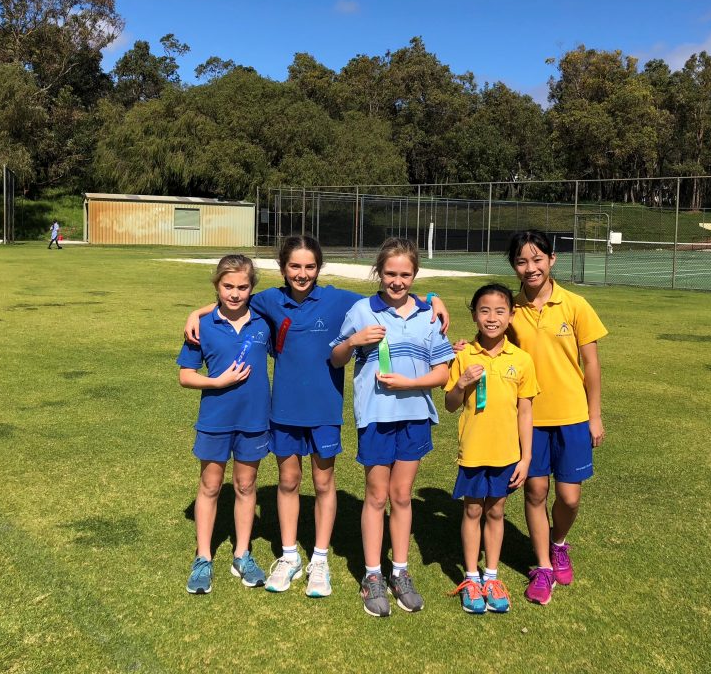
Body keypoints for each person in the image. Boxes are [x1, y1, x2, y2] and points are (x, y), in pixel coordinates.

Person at [183, 235, 450, 598]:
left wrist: (432, 299)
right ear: (283, 269)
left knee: (324, 484)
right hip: (283, 411)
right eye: (295, 266)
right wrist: (196, 312)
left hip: (325, 411)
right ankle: (290, 555)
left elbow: (392, 296)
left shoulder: (339, 300)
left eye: (310, 266)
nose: (302, 273)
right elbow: (233, 298)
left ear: (319, 269)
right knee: (288, 481)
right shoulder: (269, 301)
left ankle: (320, 558)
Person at [331, 237, 454, 617]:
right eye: (389, 273)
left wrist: (410, 383)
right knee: (376, 496)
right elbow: (335, 359)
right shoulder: (361, 310)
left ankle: (399, 571)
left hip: (415, 417)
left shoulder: (428, 315)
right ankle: (372, 575)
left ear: (415, 274)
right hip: (376, 416)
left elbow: (443, 371)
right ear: (378, 272)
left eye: (405, 274)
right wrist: (353, 340)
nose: (397, 281)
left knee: (402, 496)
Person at [507, 230, 607, 606]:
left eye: (536, 259)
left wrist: (594, 415)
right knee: (535, 492)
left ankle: (559, 542)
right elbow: (492, 347)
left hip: (572, 416)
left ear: (552, 260)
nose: (530, 268)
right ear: (514, 266)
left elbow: (591, 364)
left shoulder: (576, 305)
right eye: (521, 261)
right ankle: (543, 567)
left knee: (569, 497)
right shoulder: (509, 308)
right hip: (528, 418)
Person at [178, 254, 271, 595]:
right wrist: (217, 383)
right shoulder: (201, 326)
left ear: (252, 288)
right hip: (215, 420)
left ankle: (242, 554)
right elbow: (185, 376)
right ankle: (203, 557)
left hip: (255, 419)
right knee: (211, 486)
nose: (235, 293)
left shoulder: (264, 321)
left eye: (242, 287)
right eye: (227, 286)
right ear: (217, 286)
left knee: (246, 486)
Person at [444, 283, 536, 614]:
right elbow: (451, 404)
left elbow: (525, 411)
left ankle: (491, 577)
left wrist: (526, 457)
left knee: (496, 511)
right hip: (473, 451)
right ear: (474, 315)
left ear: (511, 316)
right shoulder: (463, 354)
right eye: (484, 311)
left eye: (500, 311)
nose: (492, 318)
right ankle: (471, 578)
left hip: (507, 454)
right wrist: (461, 383)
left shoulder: (522, 360)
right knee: (472, 510)